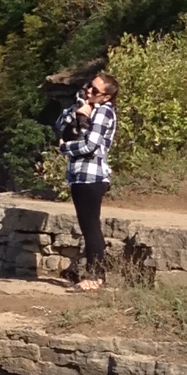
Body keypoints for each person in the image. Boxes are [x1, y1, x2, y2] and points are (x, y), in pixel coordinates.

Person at [56, 64, 120, 284]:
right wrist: (76, 112)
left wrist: (65, 148)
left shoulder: (103, 111)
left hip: (91, 176)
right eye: (89, 87)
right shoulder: (87, 106)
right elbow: (58, 126)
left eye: (95, 91)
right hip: (80, 175)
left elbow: (91, 145)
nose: (89, 92)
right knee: (88, 225)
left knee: (91, 227)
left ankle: (96, 277)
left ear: (107, 96)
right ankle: (93, 273)